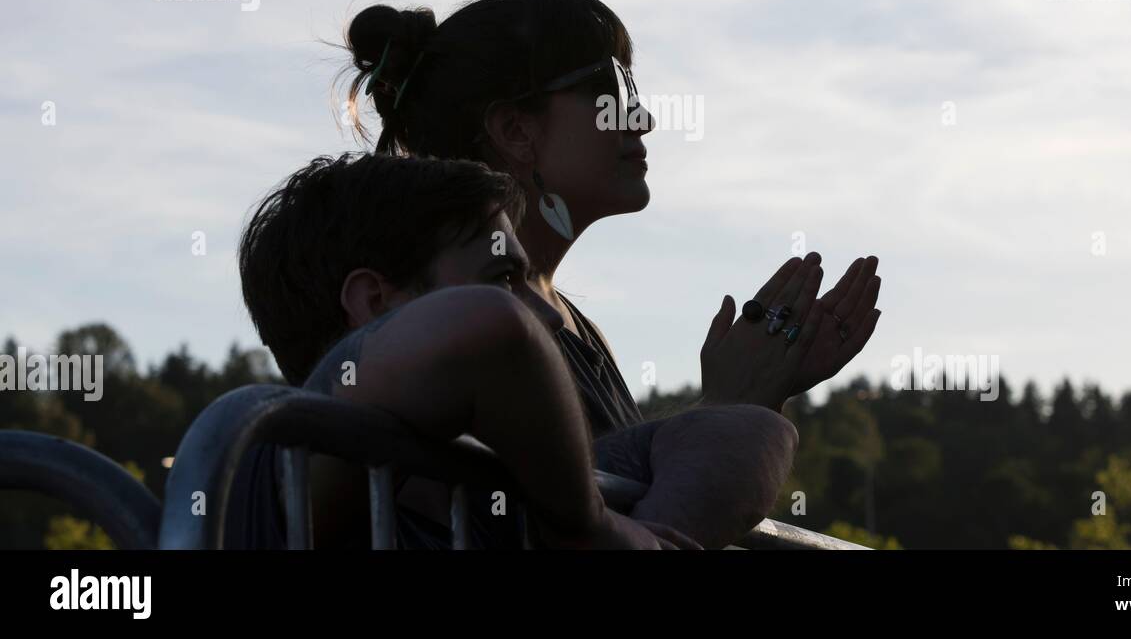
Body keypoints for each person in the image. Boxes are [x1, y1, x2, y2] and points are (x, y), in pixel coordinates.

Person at [341, 0, 883, 429]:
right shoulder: (464, 317)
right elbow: (556, 521)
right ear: (515, 130)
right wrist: (729, 408)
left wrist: (754, 393)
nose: (641, 119)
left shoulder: (576, 327)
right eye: (611, 89)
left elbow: (618, 509)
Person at [225, 152, 797, 549]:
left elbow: (748, 432)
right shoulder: (282, 455)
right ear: (375, 300)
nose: (547, 314)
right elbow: (488, 324)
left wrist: (631, 534)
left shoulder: (521, 484)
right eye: (503, 275)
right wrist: (590, 526)